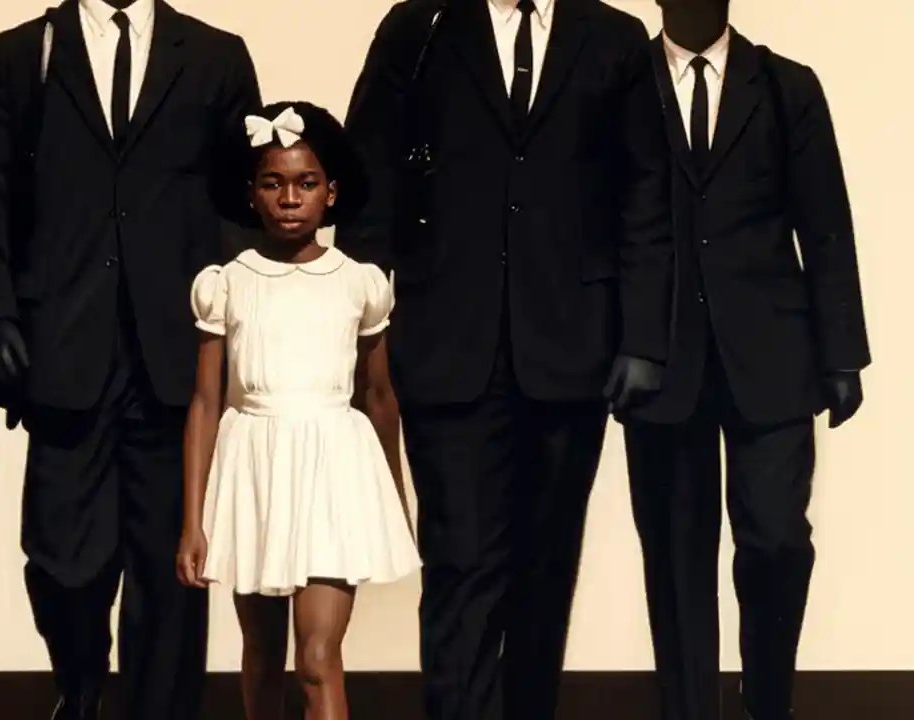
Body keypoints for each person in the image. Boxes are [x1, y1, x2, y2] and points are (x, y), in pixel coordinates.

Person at [338, 1, 673, 717]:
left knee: (546, 572)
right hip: (446, 344)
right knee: (460, 565)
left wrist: (643, 338)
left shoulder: (614, 39)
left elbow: (646, 191)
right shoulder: (421, 25)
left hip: (573, 348)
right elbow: (368, 178)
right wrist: (360, 333)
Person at [0, 1, 261, 717]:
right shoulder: (19, 55)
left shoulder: (215, 57)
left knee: (172, 567)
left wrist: (233, 323)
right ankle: (81, 682)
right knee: (62, 561)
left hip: (177, 352)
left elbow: (240, 201)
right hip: (61, 344)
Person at [623, 2, 871, 719]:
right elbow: (600, 222)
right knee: (676, 557)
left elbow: (825, 223)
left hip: (773, 356)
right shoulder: (622, 87)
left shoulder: (787, 85)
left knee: (776, 538)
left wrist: (842, 355)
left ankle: (767, 702)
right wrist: (620, 342)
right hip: (661, 360)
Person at [176, 101, 422, 720]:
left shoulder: (359, 282)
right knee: (263, 655)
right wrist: (193, 521)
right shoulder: (227, 283)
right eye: (273, 183)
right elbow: (205, 401)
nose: (290, 198)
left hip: (332, 473)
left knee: (316, 658)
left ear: (331, 192)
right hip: (255, 468)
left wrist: (394, 495)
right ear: (251, 193)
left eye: (306, 183)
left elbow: (379, 396)